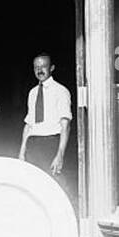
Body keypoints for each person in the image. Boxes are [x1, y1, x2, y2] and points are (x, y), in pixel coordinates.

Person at [17, 53, 75, 204]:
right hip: (33, 145)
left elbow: (65, 124)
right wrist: (22, 152)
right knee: (33, 187)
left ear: (52, 68)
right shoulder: (32, 92)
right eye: (36, 67)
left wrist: (60, 154)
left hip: (51, 143)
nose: (39, 70)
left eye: (43, 66)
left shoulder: (61, 91)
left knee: (57, 186)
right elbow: (29, 125)